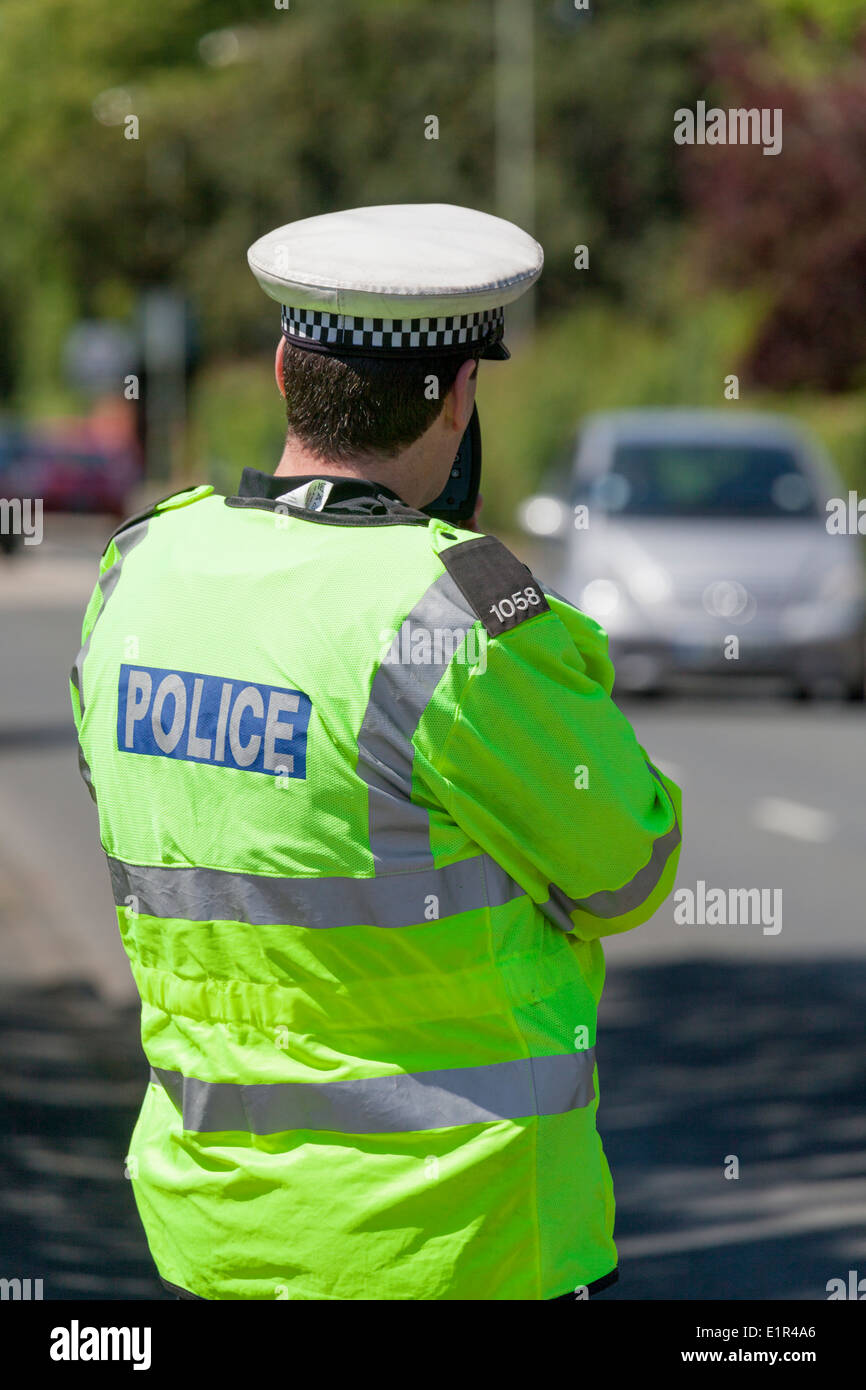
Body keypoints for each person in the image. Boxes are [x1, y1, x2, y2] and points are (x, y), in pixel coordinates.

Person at [69, 202, 682, 1301]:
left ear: (279, 371)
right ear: (459, 395)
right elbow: (627, 866)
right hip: (460, 1246)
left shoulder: (140, 569)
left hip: (216, 1239)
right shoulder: (464, 610)